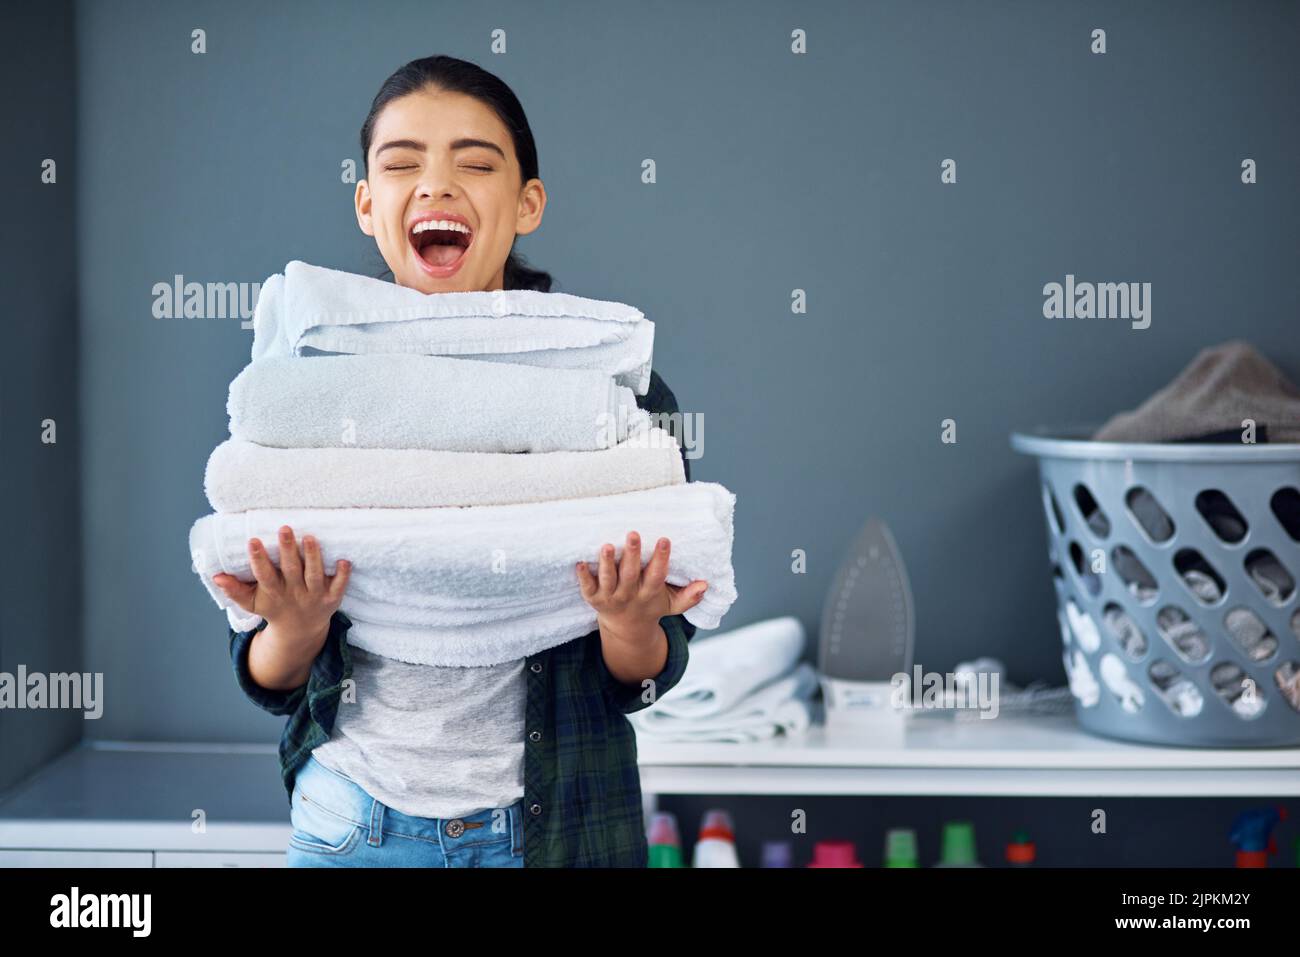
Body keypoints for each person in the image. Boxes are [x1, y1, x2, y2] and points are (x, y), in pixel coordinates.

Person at [212, 54, 707, 867]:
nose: (436, 185)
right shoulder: (308, 387)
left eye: (475, 164)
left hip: (556, 832)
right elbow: (266, 676)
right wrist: (293, 628)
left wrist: (627, 624)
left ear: (527, 204)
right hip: (353, 825)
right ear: (369, 205)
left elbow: (647, 675)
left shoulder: (604, 394)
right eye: (402, 164)